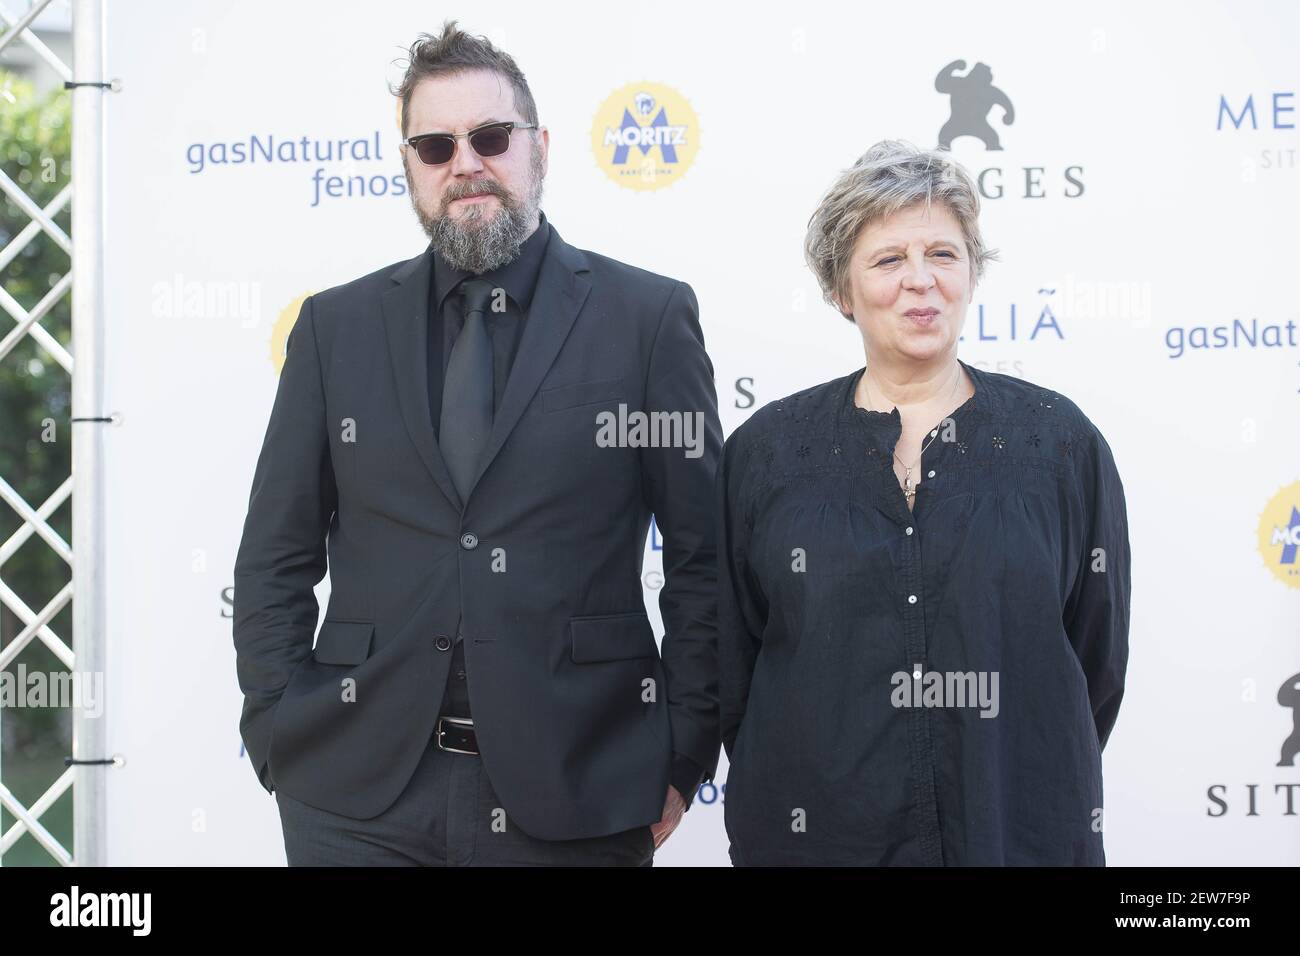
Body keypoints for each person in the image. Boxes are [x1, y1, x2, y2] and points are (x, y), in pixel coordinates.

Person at [232, 20, 721, 866]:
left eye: (491, 137)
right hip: (353, 794)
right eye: (434, 144)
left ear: (539, 149)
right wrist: (277, 729)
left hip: (580, 787)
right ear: (410, 165)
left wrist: (680, 756)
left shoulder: (646, 320)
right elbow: (275, 552)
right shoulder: (334, 328)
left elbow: (703, 558)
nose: (466, 163)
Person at [716, 139, 1130, 865]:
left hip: (1015, 831)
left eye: (943, 254)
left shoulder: (1059, 444)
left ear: (972, 273)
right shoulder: (769, 453)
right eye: (887, 260)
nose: (921, 281)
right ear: (841, 290)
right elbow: (732, 659)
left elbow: (1094, 659)